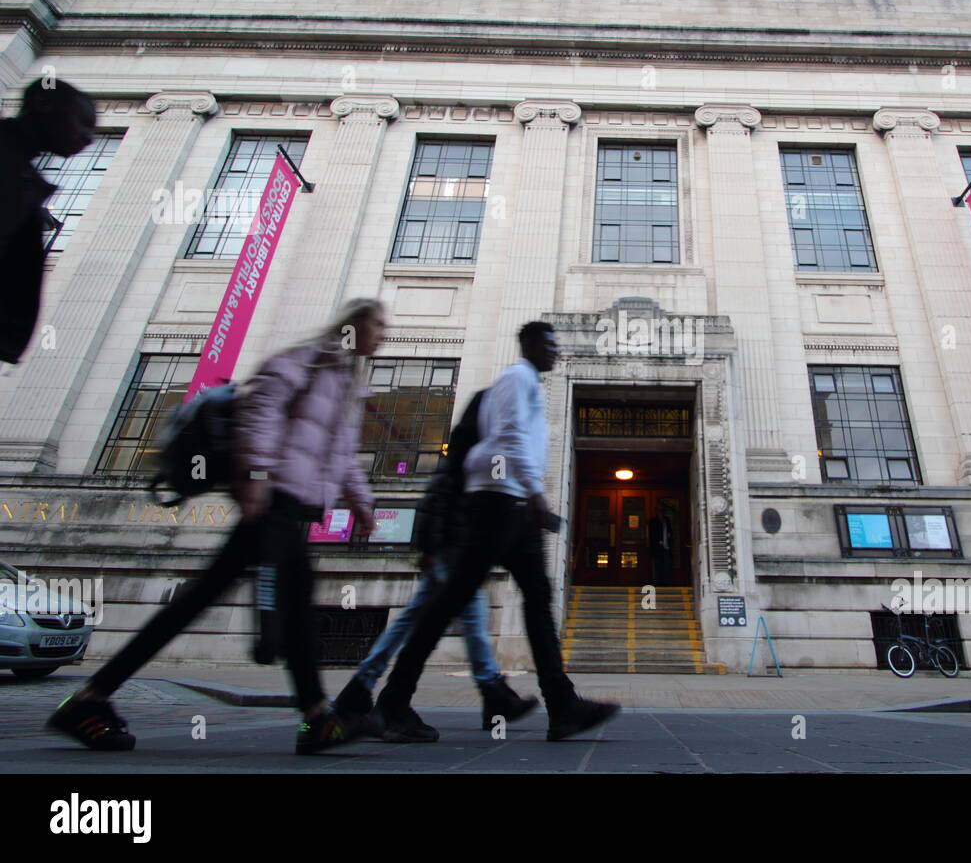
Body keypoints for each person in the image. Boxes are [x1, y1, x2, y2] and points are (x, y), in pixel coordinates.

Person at [46, 298, 386, 755]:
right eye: (378, 324)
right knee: (293, 603)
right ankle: (317, 717)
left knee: (205, 601)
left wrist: (362, 504)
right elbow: (259, 414)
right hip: (273, 502)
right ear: (355, 326)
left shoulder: (345, 382)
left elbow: (341, 455)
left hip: (291, 507)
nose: (384, 333)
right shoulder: (304, 363)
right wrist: (258, 482)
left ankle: (91, 698)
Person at [369, 321, 620, 742]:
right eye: (549, 344)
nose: (555, 351)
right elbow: (508, 436)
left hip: (513, 505)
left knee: (537, 601)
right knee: (449, 603)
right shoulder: (515, 378)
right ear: (530, 345)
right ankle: (393, 703)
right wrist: (537, 492)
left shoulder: (530, 384)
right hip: (496, 504)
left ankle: (562, 706)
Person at [332, 465, 539, 740]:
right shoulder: (475, 449)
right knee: (473, 616)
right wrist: (435, 545)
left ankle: (360, 688)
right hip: (453, 550)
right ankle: (491, 690)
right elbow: (446, 495)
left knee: (410, 619)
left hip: (451, 548)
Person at [0, 77, 97, 365]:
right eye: (83, 123)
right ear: (44, 103)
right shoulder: (9, 163)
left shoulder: (21, 171)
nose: (88, 138)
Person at [648, 499, 674, 587]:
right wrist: (658, 541)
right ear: (656, 511)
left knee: (666, 565)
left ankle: (666, 582)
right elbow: (652, 534)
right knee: (657, 566)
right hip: (657, 548)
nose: (660, 512)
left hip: (666, 547)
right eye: (659, 510)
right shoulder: (653, 521)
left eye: (662, 510)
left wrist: (669, 535)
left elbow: (670, 531)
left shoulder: (667, 521)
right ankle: (657, 583)